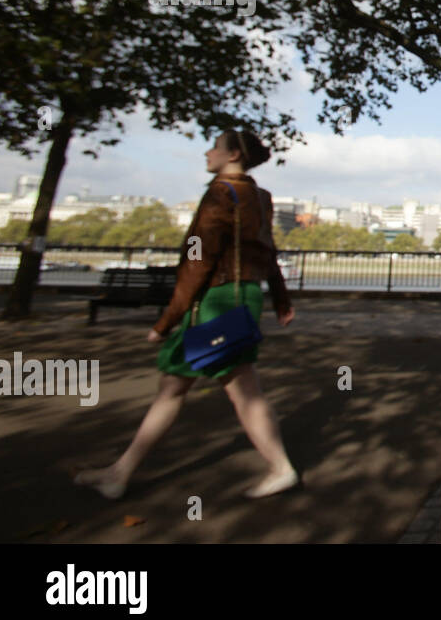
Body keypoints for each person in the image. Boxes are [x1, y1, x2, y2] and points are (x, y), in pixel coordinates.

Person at [74, 129, 300, 499]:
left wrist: (167, 320)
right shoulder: (260, 196)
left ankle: (280, 468)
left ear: (232, 156)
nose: (207, 153)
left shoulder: (218, 194)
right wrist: (279, 297)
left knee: (228, 390)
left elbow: (198, 259)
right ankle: (120, 472)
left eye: (215, 147)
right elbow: (266, 251)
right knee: (195, 387)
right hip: (244, 296)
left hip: (217, 302)